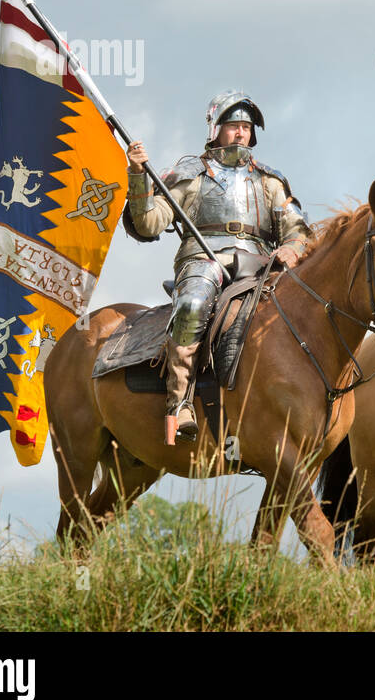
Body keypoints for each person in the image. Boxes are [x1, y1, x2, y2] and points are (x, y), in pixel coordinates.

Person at [123, 91, 310, 442]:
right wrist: (137, 175)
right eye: (233, 126)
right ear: (216, 130)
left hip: (261, 266)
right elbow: (148, 223)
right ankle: (179, 405)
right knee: (193, 306)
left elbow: (299, 230)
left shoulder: (270, 181)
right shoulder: (192, 174)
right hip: (203, 259)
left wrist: (291, 249)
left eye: (246, 127)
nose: (241, 133)